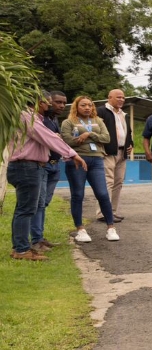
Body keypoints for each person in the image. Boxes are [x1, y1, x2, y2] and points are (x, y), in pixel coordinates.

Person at [8, 92, 86, 260]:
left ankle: (20, 247)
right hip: (26, 167)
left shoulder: (33, 117)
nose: (50, 105)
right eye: (48, 102)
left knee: (24, 209)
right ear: (39, 102)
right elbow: (48, 137)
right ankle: (21, 250)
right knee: (26, 209)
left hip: (27, 167)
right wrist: (72, 153)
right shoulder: (27, 117)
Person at [61, 95, 121, 242]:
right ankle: (80, 230)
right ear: (76, 107)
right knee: (78, 195)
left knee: (102, 194)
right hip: (77, 160)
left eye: (89, 105)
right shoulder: (68, 122)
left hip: (97, 160)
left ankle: (111, 228)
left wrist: (88, 134)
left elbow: (107, 138)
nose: (87, 108)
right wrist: (92, 138)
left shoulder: (98, 121)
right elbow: (67, 141)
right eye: (83, 105)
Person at [31, 91, 67, 253]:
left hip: (54, 165)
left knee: (44, 203)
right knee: (38, 204)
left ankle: (39, 237)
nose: (61, 105)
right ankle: (36, 239)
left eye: (64, 103)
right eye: (57, 102)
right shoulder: (38, 120)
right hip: (43, 164)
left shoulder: (54, 119)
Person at [96, 89, 132, 223]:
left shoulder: (124, 114)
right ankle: (102, 213)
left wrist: (130, 144)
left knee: (118, 183)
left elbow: (128, 132)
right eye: (118, 97)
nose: (121, 99)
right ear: (109, 97)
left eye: (123, 97)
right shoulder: (101, 111)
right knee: (108, 182)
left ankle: (113, 212)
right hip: (107, 152)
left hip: (122, 153)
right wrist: (100, 147)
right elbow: (95, 130)